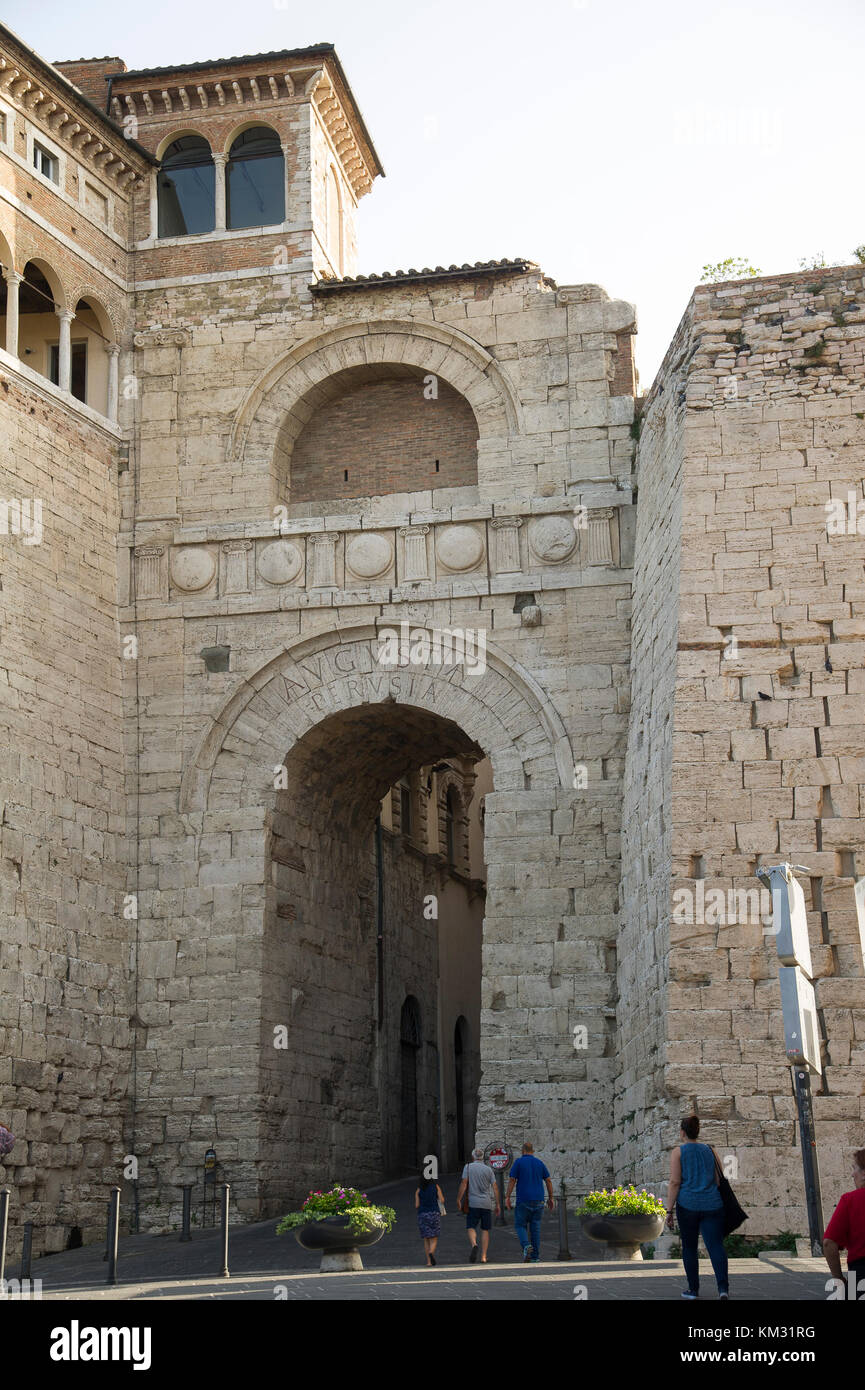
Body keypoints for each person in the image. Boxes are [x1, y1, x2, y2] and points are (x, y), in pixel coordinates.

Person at [666, 1114, 729, 1299]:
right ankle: (723, 1289)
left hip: (688, 1205)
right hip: (712, 1204)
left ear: (682, 1132)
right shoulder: (711, 1150)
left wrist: (669, 1210)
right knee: (716, 1246)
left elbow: (675, 1182)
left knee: (689, 1247)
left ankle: (693, 1290)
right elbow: (719, 1179)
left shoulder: (678, 1152)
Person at [823, 1148, 865, 1299]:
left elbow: (829, 1243)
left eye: (855, 1168)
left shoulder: (851, 1200)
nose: (852, 1174)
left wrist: (838, 1277)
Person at [505, 1142, 554, 1262]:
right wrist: (551, 1198)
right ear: (533, 1151)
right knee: (535, 1229)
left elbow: (512, 1180)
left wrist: (507, 1197)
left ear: (523, 1151)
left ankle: (526, 1245)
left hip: (523, 1199)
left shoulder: (518, 1162)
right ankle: (535, 1257)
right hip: (539, 1200)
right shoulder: (539, 1163)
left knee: (520, 1225)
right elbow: (548, 1180)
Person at [457, 1147, 500, 1263]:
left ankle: (474, 1244)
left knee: (471, 1226)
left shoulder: (468, 1167)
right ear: (482, 1157)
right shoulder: (488, 1170)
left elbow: (464, 1183)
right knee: (485, 1229)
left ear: (473, 1157)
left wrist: (458, 1199)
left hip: (473, 1203)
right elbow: (495, 1187)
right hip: (486, 1203)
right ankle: (484, 1256)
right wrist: (498, 1204)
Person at [415, 1171, 446, 1267]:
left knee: (426, 1238)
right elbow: (442, 1200)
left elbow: (417, 1205)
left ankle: (428, 1262)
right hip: (434, 1213)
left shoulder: (418, 1190)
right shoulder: (436, 1187)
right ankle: (431, 1252)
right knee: (434, 1236)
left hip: (422, 1214)